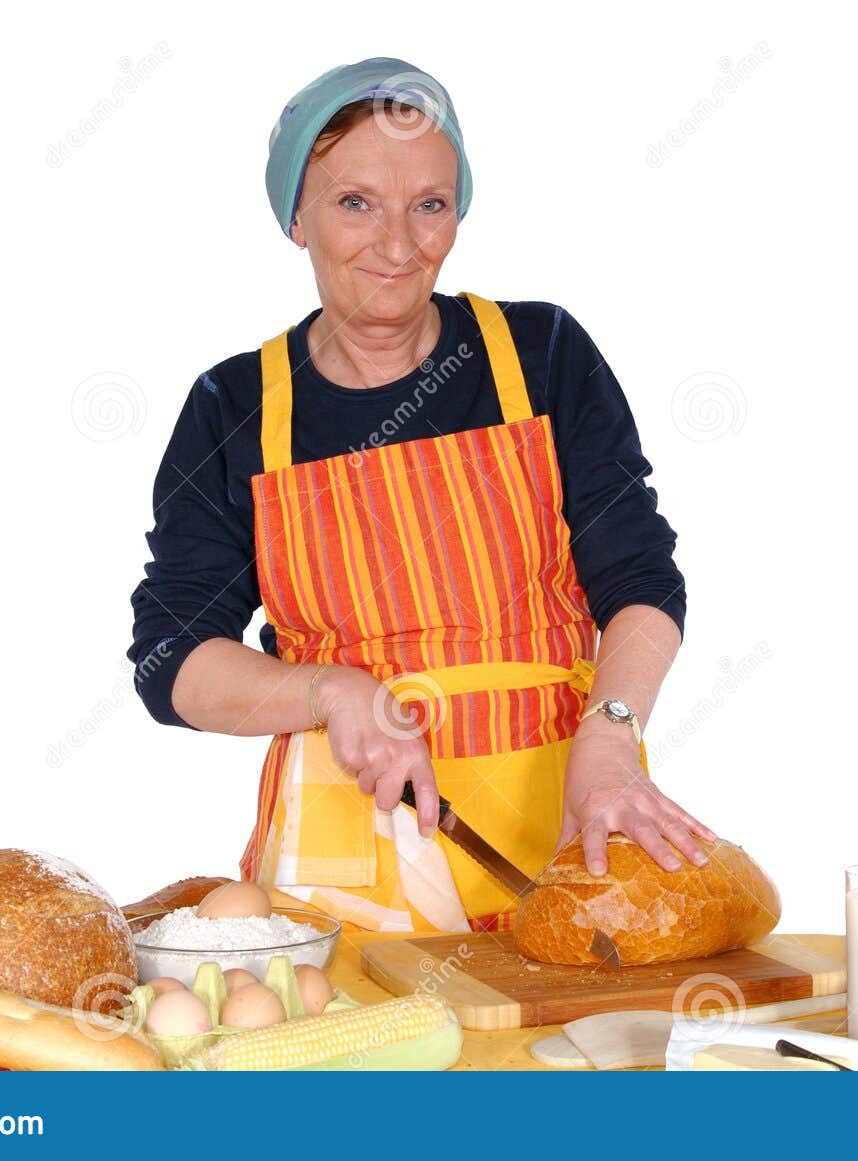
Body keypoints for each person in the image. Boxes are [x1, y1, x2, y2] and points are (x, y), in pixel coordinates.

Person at [128, 58, 711, 932]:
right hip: (343, 892)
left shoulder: (542, 355)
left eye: (429, 205)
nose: (399, 246)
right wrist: (329, 691)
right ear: (296, 216)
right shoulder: (236, 408)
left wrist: (613, 732)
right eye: (355, 203)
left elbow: (641, 581)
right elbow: (170, 661)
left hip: (567, 845)